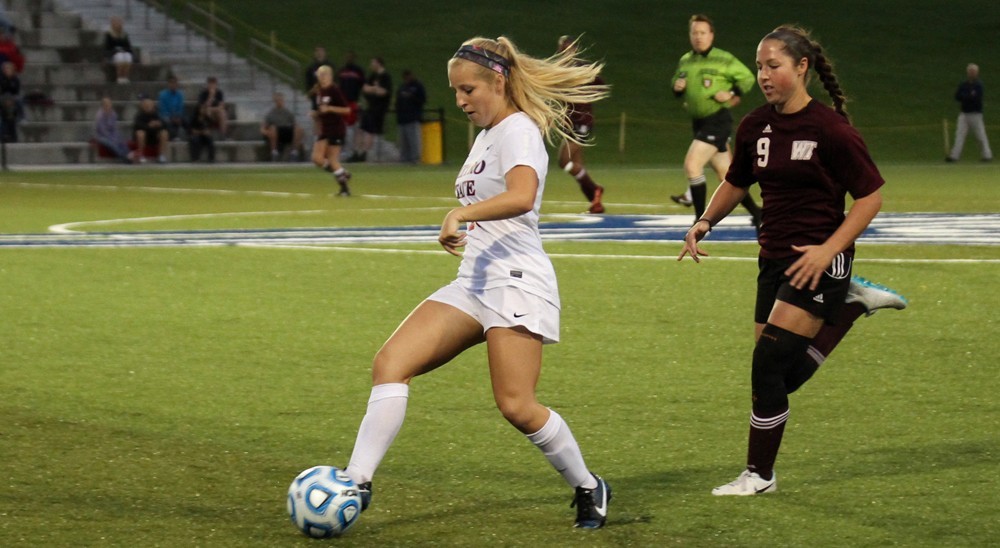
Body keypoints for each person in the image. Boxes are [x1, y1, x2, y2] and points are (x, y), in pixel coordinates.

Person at [340, 36, 612, 529]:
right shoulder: (486, 134)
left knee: (516, 406)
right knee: (390, 364)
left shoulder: (518, 130)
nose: (461, 100)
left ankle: (588, 485)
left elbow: (523, 195)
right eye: (456, 91)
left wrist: (462, 212)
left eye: (468, 90)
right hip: (474, 281)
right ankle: (355, 482)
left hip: (517, 281)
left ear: (498, 80)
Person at [678, 25, 908, 496]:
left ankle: (759, 475)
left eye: (773, 66)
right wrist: (705, 222)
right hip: (774, 259)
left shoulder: (830, 129)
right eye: (760, 66)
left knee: (766, 368)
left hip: (820, 260)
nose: (763, 75)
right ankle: (847, 310)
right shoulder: (754, 125)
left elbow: (870, 199)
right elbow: (737, 182)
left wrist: (830, 249)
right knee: (776, 376)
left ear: (802, 68)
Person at [670, 14, 762, 230]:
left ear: (711, 35)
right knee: (728, 176)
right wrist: (677, 87)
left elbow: (747, 77)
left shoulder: (723, 58)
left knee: (692, 166)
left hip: (717, 121)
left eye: (703, 33)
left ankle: (700, 221)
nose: (698, 37)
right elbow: (677, 82)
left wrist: (731, 92)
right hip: (699, 123)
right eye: (695, 33)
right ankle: (758, 213)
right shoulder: (686, 60)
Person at [555, 35, 606, 214]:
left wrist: (585, 98)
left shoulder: (581, 67)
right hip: (570, 123)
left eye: (568, 49)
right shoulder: (559, 69)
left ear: (574, 50)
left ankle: (595, 189)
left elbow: (600, 84)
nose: (565, 52)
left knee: (564, 161)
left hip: (581, 122)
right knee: (577, 164)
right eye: (562, 49)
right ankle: (595, 202)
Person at [311, 65, 352, 195]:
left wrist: (330, 108)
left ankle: (344, 189)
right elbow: (320, 110)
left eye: (324, 75)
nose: (321, 77)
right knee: (317, 159)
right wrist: (316, 114)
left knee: (332, 159)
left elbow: (347, 110)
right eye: (320, 75)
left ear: (330, 76)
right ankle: (342, 173)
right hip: (325, 129)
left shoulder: (334, 90)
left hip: (336, 129)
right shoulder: (319, 91)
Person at [946, 63, 993, 163]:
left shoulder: (979, 85)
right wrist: (968, 96)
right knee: (959, 135)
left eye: (974, 71)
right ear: (967, 72)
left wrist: (965, 96)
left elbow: (976, 98)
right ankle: (954, 156)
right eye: (970, 71)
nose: (972, 73)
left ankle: (987, 155)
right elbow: (957, 96)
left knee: (980, 135)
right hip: (964, 114)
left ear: (977, 73)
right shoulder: (963, 84)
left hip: (975, 114)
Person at [349, 57, 391, 162]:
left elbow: (384, 92)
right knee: (361, 129)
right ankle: (357, 152)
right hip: (369, 107)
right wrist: (375, 89)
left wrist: (373, 90)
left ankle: (365, 153)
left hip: (379, 108)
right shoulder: (372, 76)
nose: (371, 65)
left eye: (373, 63)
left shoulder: (386, 77)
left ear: (379, 63)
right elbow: (365, 88)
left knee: (370, 131)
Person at [337, 51, 366, 158]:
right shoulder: (341, 71)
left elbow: (363, 86)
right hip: (342, 103)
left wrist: (361, 101)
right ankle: (346, 150)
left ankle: (354, 151)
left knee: (353, 128)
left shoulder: (358, 71)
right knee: (343, 128)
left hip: (353, 102)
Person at [394, 69, 426, 163]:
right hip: (402, 119)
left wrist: (411, 97)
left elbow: (422, 100)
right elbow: (398, 101)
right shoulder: (402, 87)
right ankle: (404, 159)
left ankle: (415, 159)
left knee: (414, 141)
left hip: (413, 118)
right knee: (403, 142)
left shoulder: (417, 86)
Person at [261, 92, 304, 161]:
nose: (279, 102)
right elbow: (263, 128)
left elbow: (295, 124)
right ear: (275, 102)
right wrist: (267, 133)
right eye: (277, 100)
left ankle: (294, 152)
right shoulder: (271, 114)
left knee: (298, 129)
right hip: (276, 133)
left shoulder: (288, 113)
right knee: (273, 128)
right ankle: (274, 153)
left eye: (281, 100)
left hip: (287, 131)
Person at [132, 94, 169, 163]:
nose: (148, 107)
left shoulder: (156, 114)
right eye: (146, 106)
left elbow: (164, 124)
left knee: (164, 133)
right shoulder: (139, 115)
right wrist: (149, 126)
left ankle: (161, 156)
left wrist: (159, 124)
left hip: (154, 136)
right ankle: (141, 155)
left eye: (150, 105)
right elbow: (138, 126)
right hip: (143, 137)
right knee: (140, 133)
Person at [93, 96, 131, 162]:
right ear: (103, 105)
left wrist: (115, 137)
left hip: (112, 134)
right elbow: (102, 130)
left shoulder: (113, 114)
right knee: (111, 144)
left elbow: (114, 128)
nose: (108, 105)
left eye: (109, 104)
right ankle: (123, 157)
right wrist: (112, 138)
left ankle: (129, 155)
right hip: (101, 136)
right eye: (106, 104)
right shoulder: (99, 115)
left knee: (122, 141)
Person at [103, 16, 133, 84]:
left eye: (120, 23)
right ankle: (119, 77)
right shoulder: (109, 34)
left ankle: (125, 76)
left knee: (128, 56)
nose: (118, 25)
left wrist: (124, 50)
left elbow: (128, 46)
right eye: (116, 23)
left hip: (123, 52)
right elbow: (107, 47)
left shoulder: (124, 35)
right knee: (120, 57)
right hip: (113, 53)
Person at [157, 75, 186, 140]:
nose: (173, 85)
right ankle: (174, 136)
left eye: (175, 83)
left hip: (176, 115)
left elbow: (180, 107)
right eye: (171, 83)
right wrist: (172, 118)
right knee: (167, 121)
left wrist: (178, 116)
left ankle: (191, 135)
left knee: (185, 120)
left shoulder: (180, 94)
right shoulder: (162, 95)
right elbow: (163, 110)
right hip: (166, 116)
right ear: (168, 84)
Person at [0, 60, 22, 143]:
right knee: (6, 117)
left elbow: (16, 91)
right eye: (6, 69)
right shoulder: (1, 78)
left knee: (11, 116)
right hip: (3, 99)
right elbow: (3, 90)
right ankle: (5, 136)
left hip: (12, 99)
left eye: (9, 69)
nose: (7, 70)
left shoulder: (15, 79)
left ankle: (11, 136)